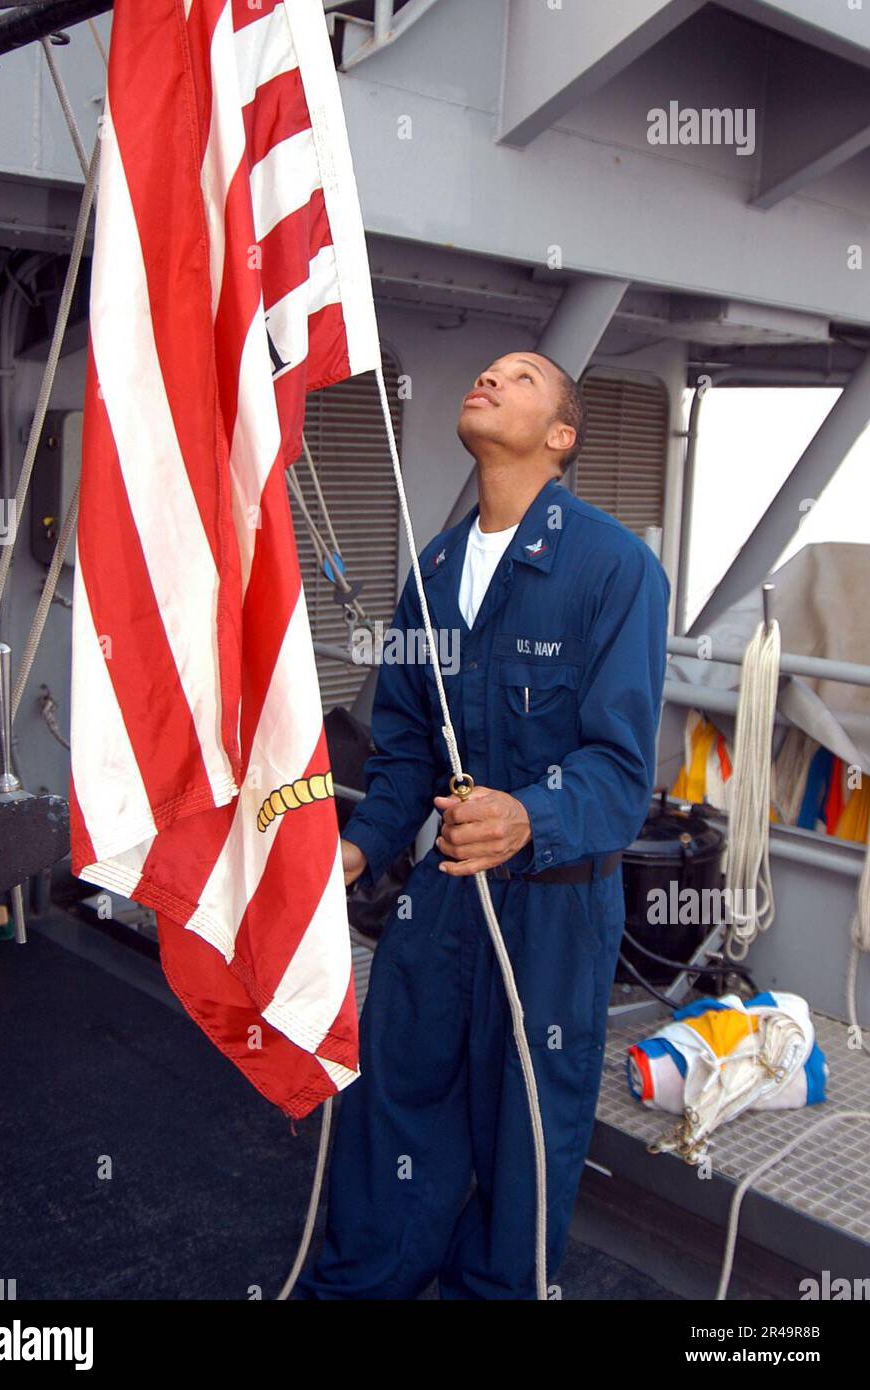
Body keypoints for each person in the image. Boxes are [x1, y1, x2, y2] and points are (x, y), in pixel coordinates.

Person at [295, 349, 671, 1299]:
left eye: (524, 378)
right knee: (394, 1114)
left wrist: (526, 816)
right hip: (441, 903)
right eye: (488, 372)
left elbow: (621, 775)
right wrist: (357, 847)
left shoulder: (616, 568)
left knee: (525, 1151)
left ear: (560, 437)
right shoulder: (432, 573)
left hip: (553, 916)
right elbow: (404, 755)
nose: (491, 380)